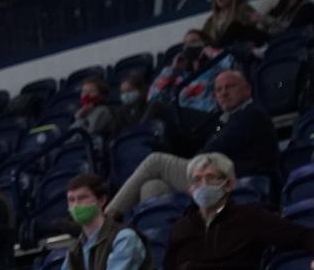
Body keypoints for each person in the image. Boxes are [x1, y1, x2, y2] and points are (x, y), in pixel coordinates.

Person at [142, 154, 314, 270]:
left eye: (210, 178)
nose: (202, 185)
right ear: (189, 188)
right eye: (197, 180)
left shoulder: (248, 217)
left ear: (228, 184)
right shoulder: (181, 225)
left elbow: (301, 234)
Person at [109, 70, 277, 216]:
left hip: (234, 179)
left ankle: (107, 220)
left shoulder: (251, 114)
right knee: (152, 186)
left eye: (230, 87)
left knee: (155, 161)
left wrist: (192, 159)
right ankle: (160, 242)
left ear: (247, 89)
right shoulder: (225, 121)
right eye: (219, 89)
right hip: (214, 177)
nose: (224, 93)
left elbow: (216, 150)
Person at [13, 174, 153, 270]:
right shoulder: (75, 249)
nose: (76, 205)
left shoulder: (124, 237)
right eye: (71, 200)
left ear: (101, 201)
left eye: (82, 198)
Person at [196, 0, 271, 51]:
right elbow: (204, 38)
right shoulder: (211, 21)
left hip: (238, 48)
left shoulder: (243, 9)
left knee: (234, 27)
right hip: (220, 52)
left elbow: (254, 27)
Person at [70, 74, 117, 140]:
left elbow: (89, 133)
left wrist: (79, 118)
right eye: (84, 91)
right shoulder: (82, 111)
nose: (86, 94)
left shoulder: (103, 111)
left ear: (102, 96)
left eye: (91, 91)